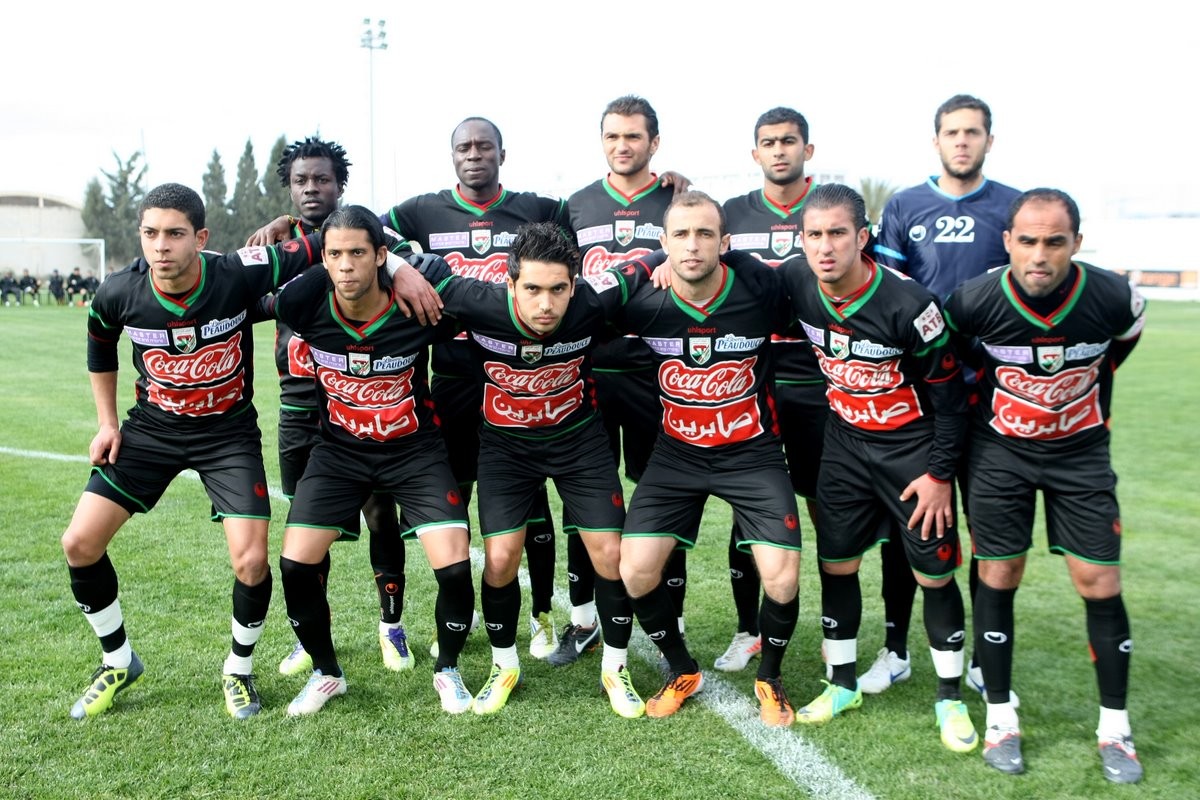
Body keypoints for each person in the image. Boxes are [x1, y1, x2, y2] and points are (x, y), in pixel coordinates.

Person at [60, 182, 324, 720]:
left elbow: (329, 242)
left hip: (227, 436)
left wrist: (402, 264)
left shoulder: (238, 273)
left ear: (200, 238)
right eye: (151, 233)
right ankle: (116, 660)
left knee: (251, 560)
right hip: (150, 434)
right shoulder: (119, 291)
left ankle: (239, 670)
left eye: (175, 234)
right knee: (79, 543)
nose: (161, 245)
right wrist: (108, 423)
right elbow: (99, 342)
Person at [943, 188, 1146, 782]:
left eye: (1054, 242)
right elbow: (953, 359)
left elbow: (1126, 337)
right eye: (1027, 240)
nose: (1039, 254)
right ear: (1007, 242)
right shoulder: (974, 299)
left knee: (1099, 580)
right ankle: (1001, 718)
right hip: (1000, 455)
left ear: (1076, 244)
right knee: (998, 573)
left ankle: (1116, 729)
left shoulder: (1110, 295)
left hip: (1080, 456)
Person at [776, 184, 975, 753]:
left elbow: (950, 402)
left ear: (863, 238)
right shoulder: (796, 281)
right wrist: (662, 264)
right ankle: (840, 684)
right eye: (814, 235)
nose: (825, 247)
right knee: (836, 564)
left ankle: (950, 697)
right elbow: (735, 270)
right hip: (843, 446)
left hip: (911, 454)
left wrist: (939, 476)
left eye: (838, 233)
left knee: (933, 574)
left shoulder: (912, 306)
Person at [421, 221, 645, 718]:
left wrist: (668, 262)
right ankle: (505, 666)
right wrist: (396, 265)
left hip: (578, 441)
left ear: (575, 284)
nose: (546, 304)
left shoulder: (591, 302)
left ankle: (616, 667)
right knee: (500, 560)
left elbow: (637, 269)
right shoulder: (475, 301)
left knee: (611, 554)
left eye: (558, 290)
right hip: (506, 446)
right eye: (533, 290)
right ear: (510, 284)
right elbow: (414, 267)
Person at [268, 206, 475, 716]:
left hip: (415, 452)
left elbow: (477, 311)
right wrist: (337, 255)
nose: (344, 266)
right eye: (334, 254)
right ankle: (326, 672)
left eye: (358, 253)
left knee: (453, 566)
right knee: (295, 564)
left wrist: (409, 270)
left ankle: (447, 669)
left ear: (382, 256)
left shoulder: (418, 311)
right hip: (338, 453)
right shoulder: (303, 303)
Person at [611, 190, 803, 727]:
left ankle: (770, 677)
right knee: (635, 571)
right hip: (677, 455)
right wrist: (646, 264)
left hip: (752, 451)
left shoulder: (760, 291)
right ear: (664, 242)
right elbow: (587, 314)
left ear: (725, 241)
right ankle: (681, 668)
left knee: (782, 578)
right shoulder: (644, 301)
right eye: (680, 235)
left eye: (704, 234)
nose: (692, 246)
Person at [379, 118, 567, 660]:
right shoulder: (422, 211)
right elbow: (367, 230)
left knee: (530, 500)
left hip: (522, 373)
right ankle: (456, 615)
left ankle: (542, 616)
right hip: (456, 374)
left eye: (484, 146)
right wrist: (397, 264)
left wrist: (667, 184)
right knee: (454, 498)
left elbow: (595, 222)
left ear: (502, 154)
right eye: (464, 147)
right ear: (451, 156)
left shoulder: (540, 208)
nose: (474, 154)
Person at [864, 94, 1022, 697]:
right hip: (919, 396)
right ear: (935, 141)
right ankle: (896, 647)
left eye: (973, 132)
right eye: (952, 132)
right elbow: (888, 291)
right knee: (906, 524)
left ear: (989, 140)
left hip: (989, 397)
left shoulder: (1011, 207)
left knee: (984, 531)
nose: (962, 141)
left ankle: (983, 657)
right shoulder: (906, 205)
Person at [253, 136, 413, 677]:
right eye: (301, 181)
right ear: (289, 189)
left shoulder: (365, 236)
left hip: (361, 401)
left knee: (379, 514)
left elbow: (406, 263)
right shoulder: (277, 246)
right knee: (306, 523)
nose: (311, 189)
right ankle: (308, 635)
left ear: (339, 184)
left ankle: (392, 625)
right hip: (299, 400)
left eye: (321, 179)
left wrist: (403, 268)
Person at [558, 95, 689, 667]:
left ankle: (672, 623)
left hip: (658, 371)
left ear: (653, 143)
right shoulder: (577, 205)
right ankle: (583, 619)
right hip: (586, 371)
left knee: (667, 499)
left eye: (633, 136)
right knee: (582, 501)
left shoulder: (679, 199)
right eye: (612, 136)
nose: (622, 146)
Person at [716, 106, 825, 673]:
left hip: (817, 381)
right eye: (768, 142)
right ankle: (746, 629)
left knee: (825, 505)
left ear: (808, 149)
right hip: (748, 379)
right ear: (754, 153)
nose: (778, 150)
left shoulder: (831, 208)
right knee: (747, 508)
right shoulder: (732, 213)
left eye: (789, 141)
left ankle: (837, 630)